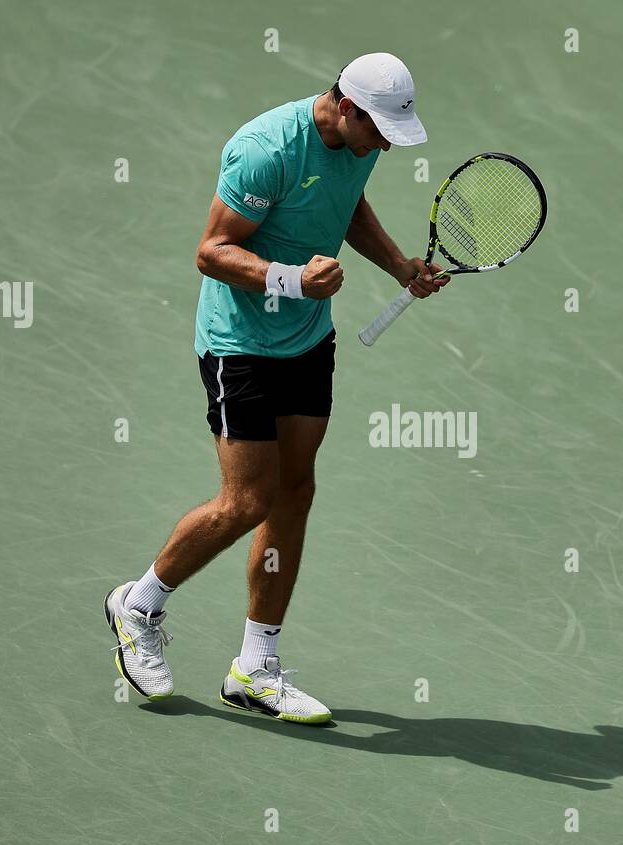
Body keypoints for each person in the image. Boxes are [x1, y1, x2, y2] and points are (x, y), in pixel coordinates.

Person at [104, 52, 447, 723]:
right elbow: (211, 251)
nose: (382, 144)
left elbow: (347, 206)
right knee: (248, 497)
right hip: (242, 343)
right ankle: (137, 604)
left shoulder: (359, 141)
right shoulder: (266, 151)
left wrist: (399, 266)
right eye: (376, 130)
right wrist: (292, 280)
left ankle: (255, 667)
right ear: (345, 107)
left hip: (307, 339)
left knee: (295, 491)